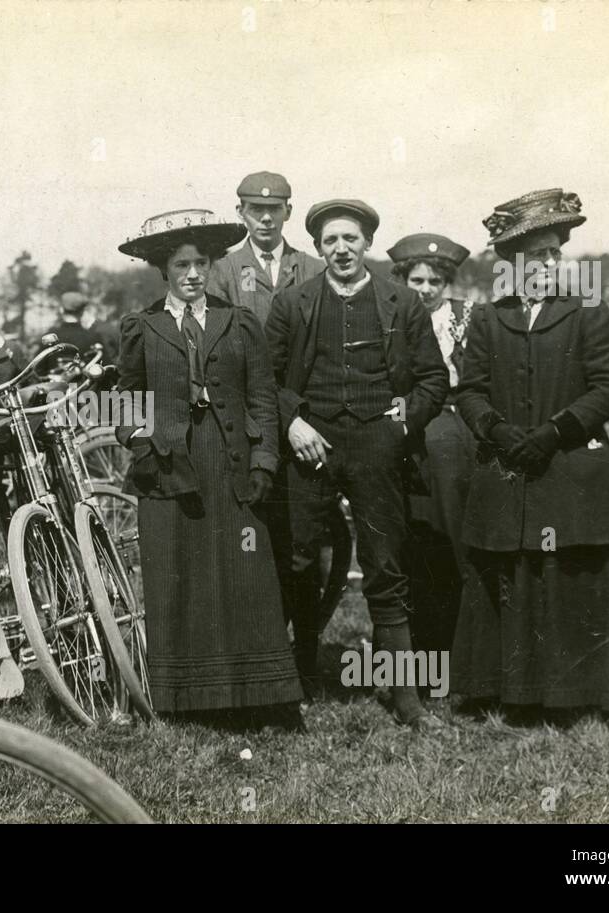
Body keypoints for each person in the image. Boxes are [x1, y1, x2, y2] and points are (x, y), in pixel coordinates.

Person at [452, 188, 609, 718]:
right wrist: (501, 434)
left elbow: (607, 388)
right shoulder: (487, 319)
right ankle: (515, 693)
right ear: (512, 263)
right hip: (508, 471)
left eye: (555, 253)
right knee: (514, 574)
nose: (550, 263)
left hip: (572, 469)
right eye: (538, 255)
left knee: (577, 574)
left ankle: (597, 692)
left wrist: (552, 433)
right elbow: (470, 390)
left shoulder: (588, 313)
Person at [115, 209, 302, 724]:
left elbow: (262, 395)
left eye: (201, 263)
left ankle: (256, 697)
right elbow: (125, 398)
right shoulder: (142, 327)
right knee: (179, 575)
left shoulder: (238, 322)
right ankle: (183, 700)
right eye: (181, 266)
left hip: (230, 462)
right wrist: (143, 447)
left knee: (242, 572)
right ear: (164, 271)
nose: (193, 274)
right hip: (170, 467)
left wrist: (265, 459)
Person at [266, 199, 449, 725]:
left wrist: (402, 423)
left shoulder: (401, 302)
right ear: (319, 249)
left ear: (367, 243)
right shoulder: (293, 301)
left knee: (386, 565)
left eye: (350, 239)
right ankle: (296, 679)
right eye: (330, 242)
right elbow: (267, 379)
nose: (341, 249)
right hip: (311, 445)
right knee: (300, 560)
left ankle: (404, 696)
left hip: (377, 446)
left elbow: (434, 379)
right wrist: (293, 423)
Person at [387, 232, 478, 657]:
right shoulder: (388, 316)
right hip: (401, 426)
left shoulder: (467, 318)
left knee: (451, 533)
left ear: (447, 284)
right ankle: (416, 644)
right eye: (416, 281)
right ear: (403, 282)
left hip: (451, 433)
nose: (425, 290)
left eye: (434, 282)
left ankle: (460, 643)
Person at [207, 171, 322, 328]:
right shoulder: (223, 271)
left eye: (274, 209)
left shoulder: (313, 269)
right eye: (256, 209)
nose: (266, 218)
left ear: (288, 211)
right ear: (241, 212)